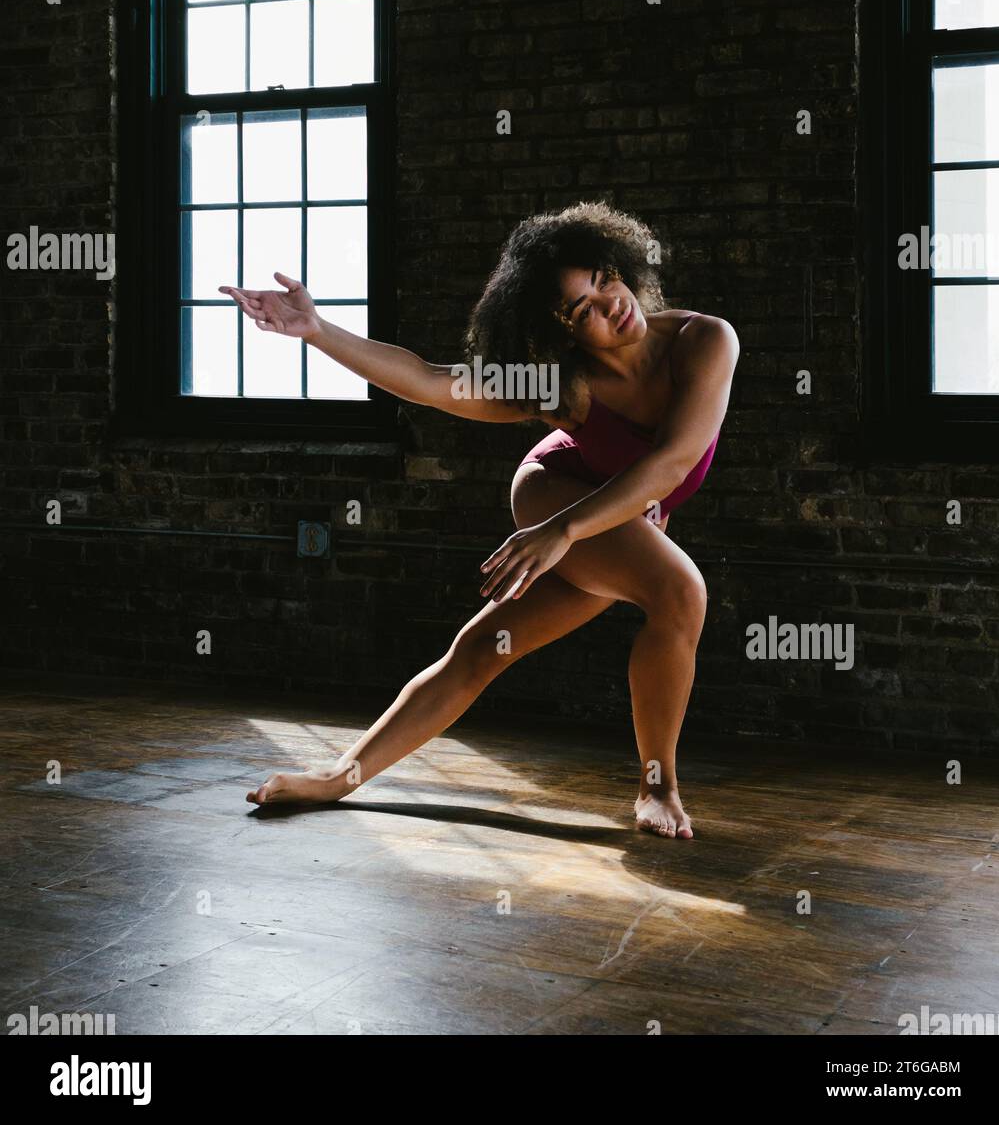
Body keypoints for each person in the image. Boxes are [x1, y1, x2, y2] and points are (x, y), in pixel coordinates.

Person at [219, 201, 738, 838]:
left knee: (483, 649)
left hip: (595, 520)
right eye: (583, 310)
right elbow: (434, 382)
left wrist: (569, 533)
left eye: (606, 279)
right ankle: (658, 790)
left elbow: (673, 460)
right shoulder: (559, 384)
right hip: (553, 496)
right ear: (560, 330)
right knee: (681, 590)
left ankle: (340, 777)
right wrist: (318, 331)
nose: (610, 305)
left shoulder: (703, 340)